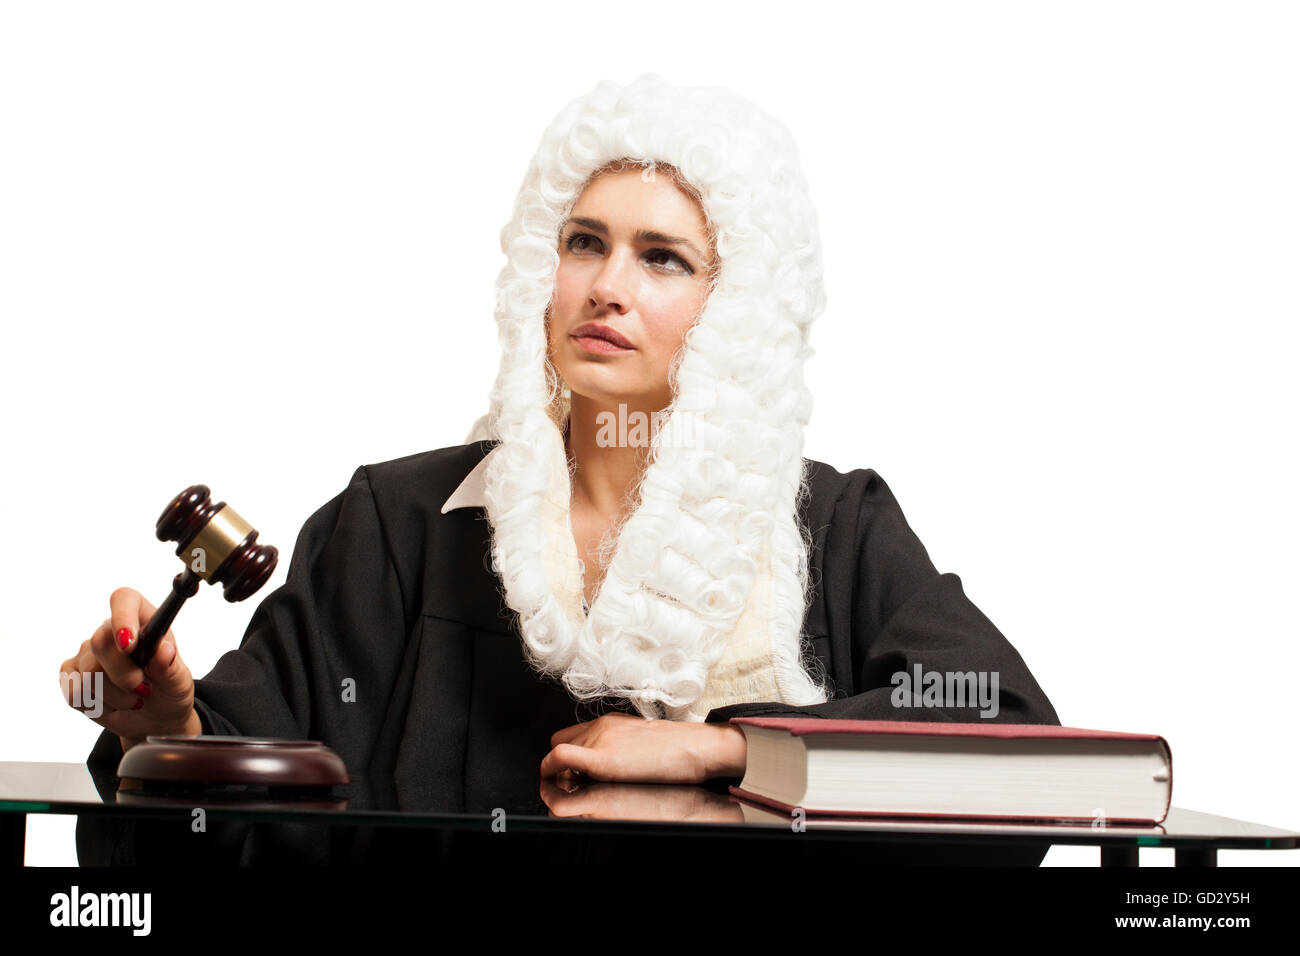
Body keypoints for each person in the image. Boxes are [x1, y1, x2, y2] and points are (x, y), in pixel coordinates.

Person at [62, 73, 1059, 864]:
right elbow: (238, 830)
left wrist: (724, 747)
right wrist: (164, 725)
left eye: (662, 257)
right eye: (584, 243)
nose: (607, 286)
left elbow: (1004, 728)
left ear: (738, 305)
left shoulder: (830, 529)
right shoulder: (395, 526)